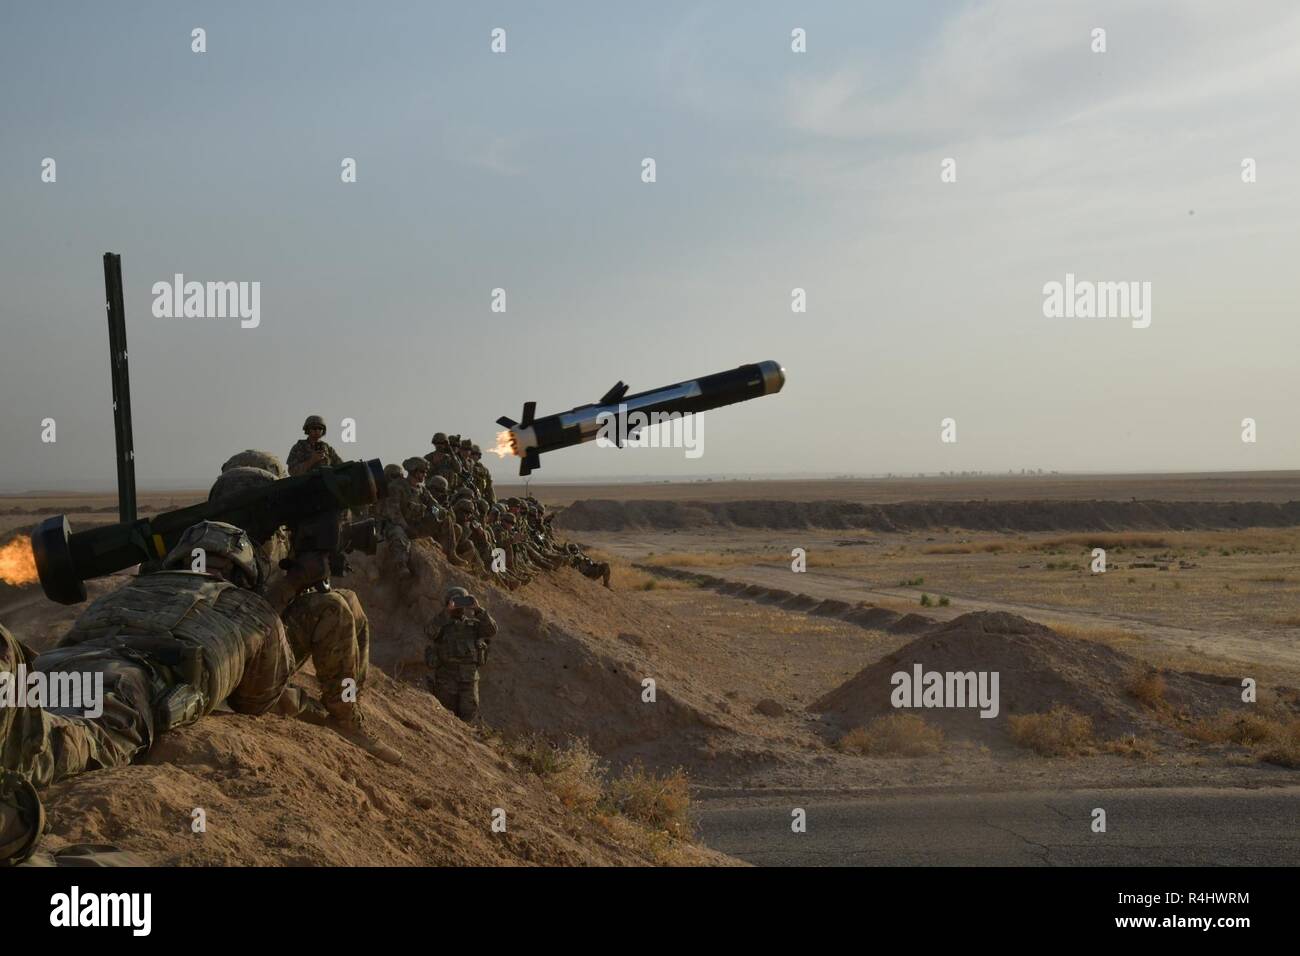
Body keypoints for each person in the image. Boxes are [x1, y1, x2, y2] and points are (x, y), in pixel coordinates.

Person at [424, 588, 497, 722]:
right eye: (456, 602)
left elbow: (492, 630)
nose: (459, 606)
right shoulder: (442, 624)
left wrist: (479, 610)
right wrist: (446, 612)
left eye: (462, 601)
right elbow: (429, 632)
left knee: (468, 718)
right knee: (445, 718)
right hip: (446, 678)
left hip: (469, 680)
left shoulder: (474, 625)